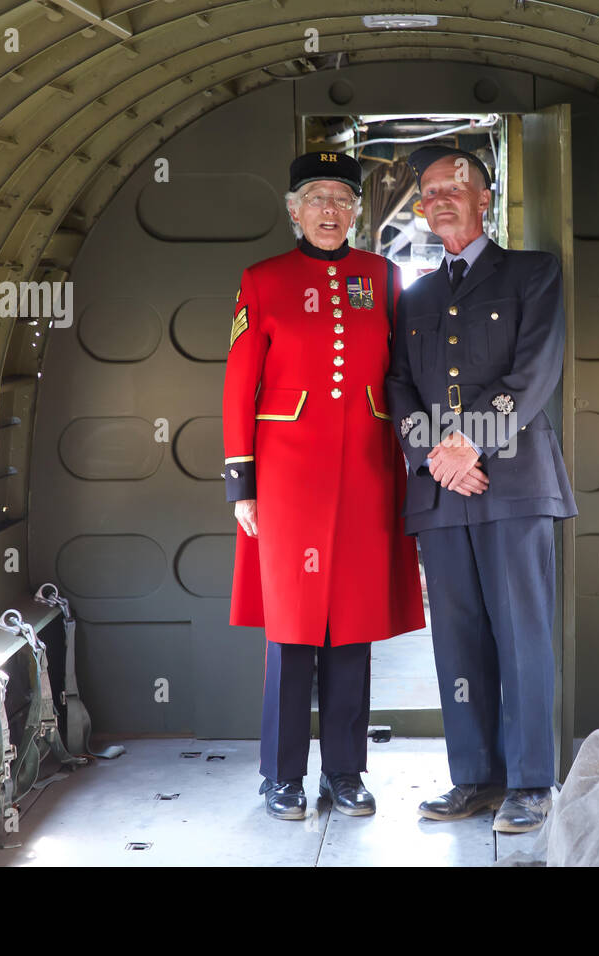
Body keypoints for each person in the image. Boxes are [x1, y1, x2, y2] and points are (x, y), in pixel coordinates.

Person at [222, 151, 424, 821]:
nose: (330, 210)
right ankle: (281, 776)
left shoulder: (383, 276)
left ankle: (344, 771)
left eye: (341, 198)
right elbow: (238, 385)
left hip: (367, 472)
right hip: (286, 479)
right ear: (294, 211)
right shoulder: (264, 280)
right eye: (316, 198)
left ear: (356, 212)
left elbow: (402, 372)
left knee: (352, 628)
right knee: (292, 628)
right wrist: (240, 483)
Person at [385, 146, 577, 833]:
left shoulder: (533, 273)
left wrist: (467, 441)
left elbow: (535, 370)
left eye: (453, 188)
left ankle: (531, 783)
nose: (439, 198)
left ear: (484, 197)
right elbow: (399, 385)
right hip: (442, 491)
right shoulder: (415, 296)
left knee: (522, 635)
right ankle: (473, 777)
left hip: (515, 483)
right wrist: (433, 455)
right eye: (428, 191)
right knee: (457, 637)